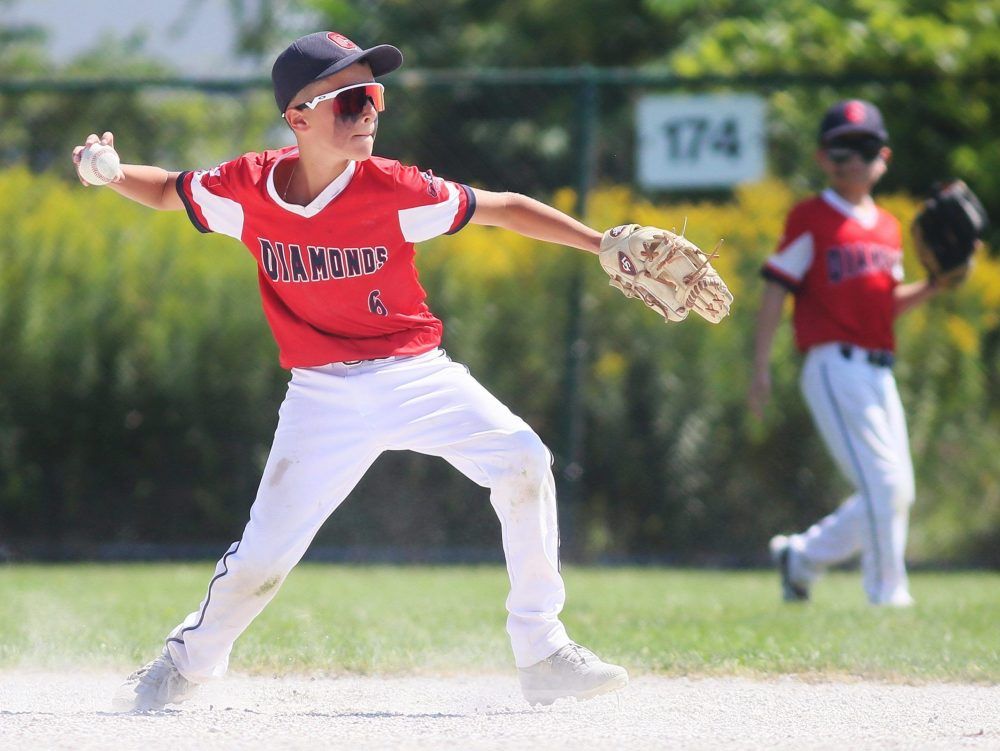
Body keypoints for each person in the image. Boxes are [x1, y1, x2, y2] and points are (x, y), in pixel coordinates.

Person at [75, 31, 628, 711]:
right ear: (298, 117)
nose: (371, 112)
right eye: (353, 99)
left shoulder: (394, 189)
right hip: (321, 394)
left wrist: (601, 244)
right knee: (262, 558)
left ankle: (543, 651)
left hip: (415, 373)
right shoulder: (247, 187)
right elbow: (166, 191)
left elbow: (505, 207)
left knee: (522, 460)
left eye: (376, 96)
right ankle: (181, 666)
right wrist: (108, 172)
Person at [749, 99, 943, 607]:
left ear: (884, 156)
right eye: (841, 148)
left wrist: (936, 285)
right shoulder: (810, 217)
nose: (852, 160)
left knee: (897, 489)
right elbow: (776, 287)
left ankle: (802, 557)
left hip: (879, 368)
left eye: (863, 147)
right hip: (833, 365)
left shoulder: (889, 226)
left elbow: (885, 303)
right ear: (822, 158)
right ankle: (888, 594)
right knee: (883, 483)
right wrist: (761, 365)